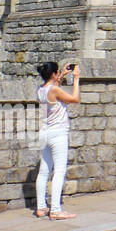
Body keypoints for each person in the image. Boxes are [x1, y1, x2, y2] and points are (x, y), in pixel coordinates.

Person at [34, 61, 79, 219]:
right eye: (57, 72)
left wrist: (61, 75)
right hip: (58, 134)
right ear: (53, 74)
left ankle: (41, 207)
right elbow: (74, 98)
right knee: (59, 171)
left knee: (44, 171)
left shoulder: (41, 90)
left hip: (44, 133)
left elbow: (53, 87)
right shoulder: (54, 90)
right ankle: (55, 209)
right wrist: (76, 78)